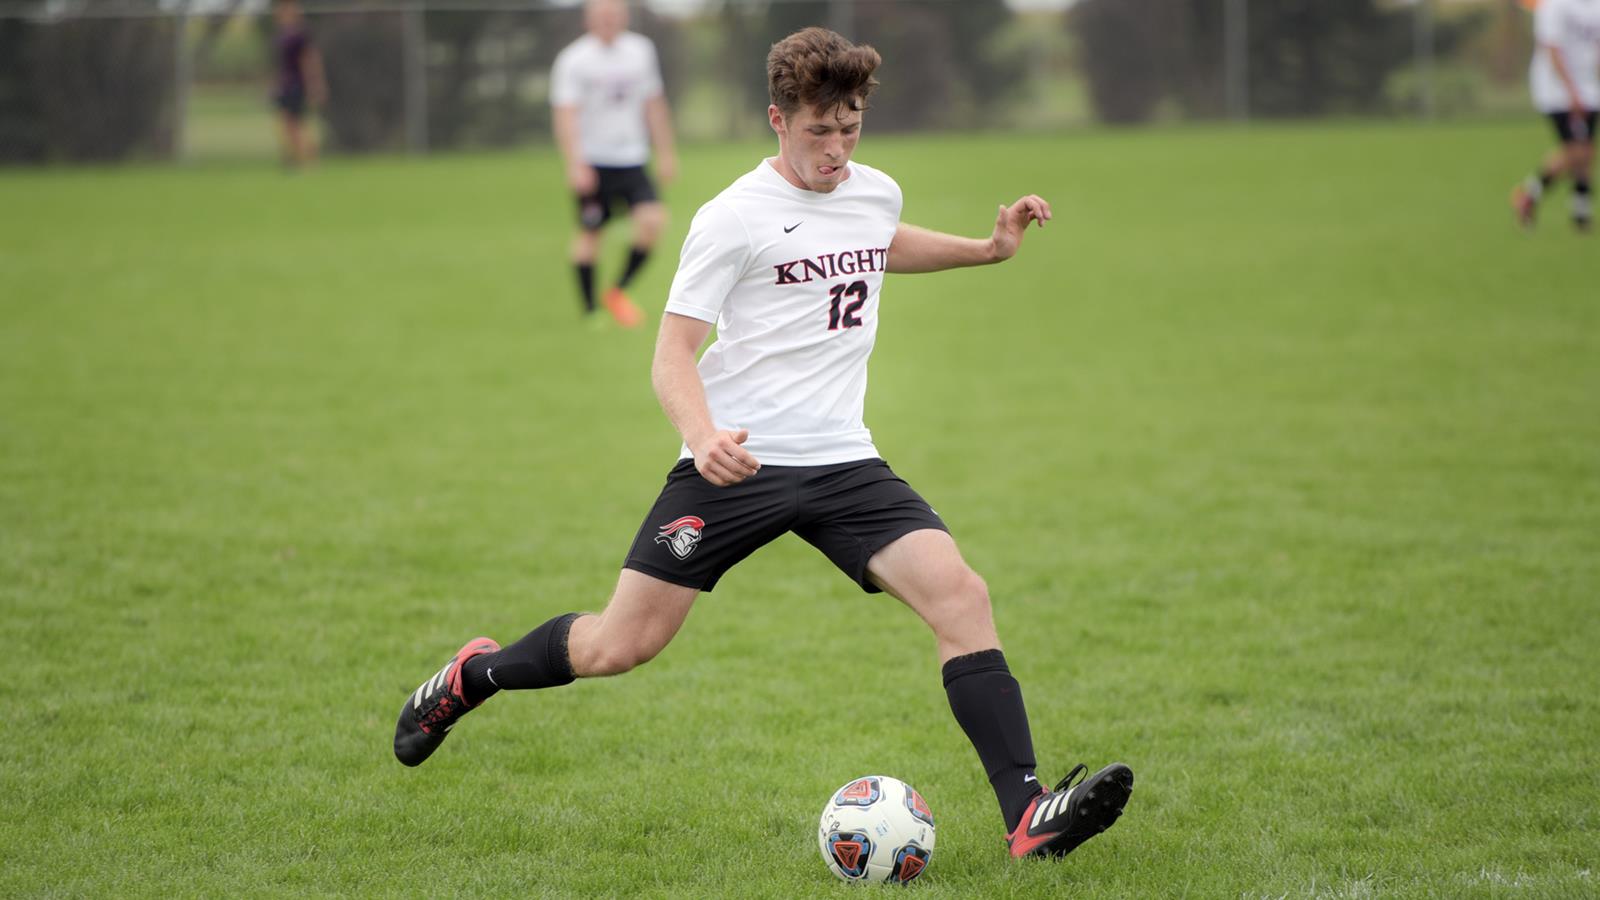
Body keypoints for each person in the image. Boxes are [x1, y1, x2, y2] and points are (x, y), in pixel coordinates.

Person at [395, 27, 1133, 861]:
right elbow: (672, 352)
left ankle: (1029, 816)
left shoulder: (872, 191)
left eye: (850, 128)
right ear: (778, 120)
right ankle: (472, 676)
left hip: (844, 459)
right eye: (819, 131)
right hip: (737, 460)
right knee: (619, 646)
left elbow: (876, 242)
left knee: (962, 597)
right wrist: (701, 435)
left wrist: (987, 250)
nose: (837, 149)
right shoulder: (732, 218)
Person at [550, 0, 678, 328]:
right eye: (601, 16)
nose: (608, 21)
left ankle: (617, 291)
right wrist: (575, 163)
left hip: (633, 158)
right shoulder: (573, 59)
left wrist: (665, 152)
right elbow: (565, 114)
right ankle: (590, 310)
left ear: (624, 17)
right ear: (588, 19)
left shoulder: (641, 51)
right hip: (594, 160)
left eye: (614, 15)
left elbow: (653, 103)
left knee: (653, 221)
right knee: (591, 234)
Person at [1510, 0, 1600, 231]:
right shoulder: (1554, 6)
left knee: (1586, 151)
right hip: (1556, 92)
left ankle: (1580, 213)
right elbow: (1552, 49)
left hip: (1589, 89)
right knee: (1576, 150)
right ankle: (1530, 195)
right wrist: (1572, 93)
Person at [270, 0, 327, 170]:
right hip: (285, 84)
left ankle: (309, 160)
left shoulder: (300, 35)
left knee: (296, 124)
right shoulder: (282, 34)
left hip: (296, 83)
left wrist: (315, 84)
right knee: (286, 123)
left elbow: (309, 60)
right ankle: (295, 159)